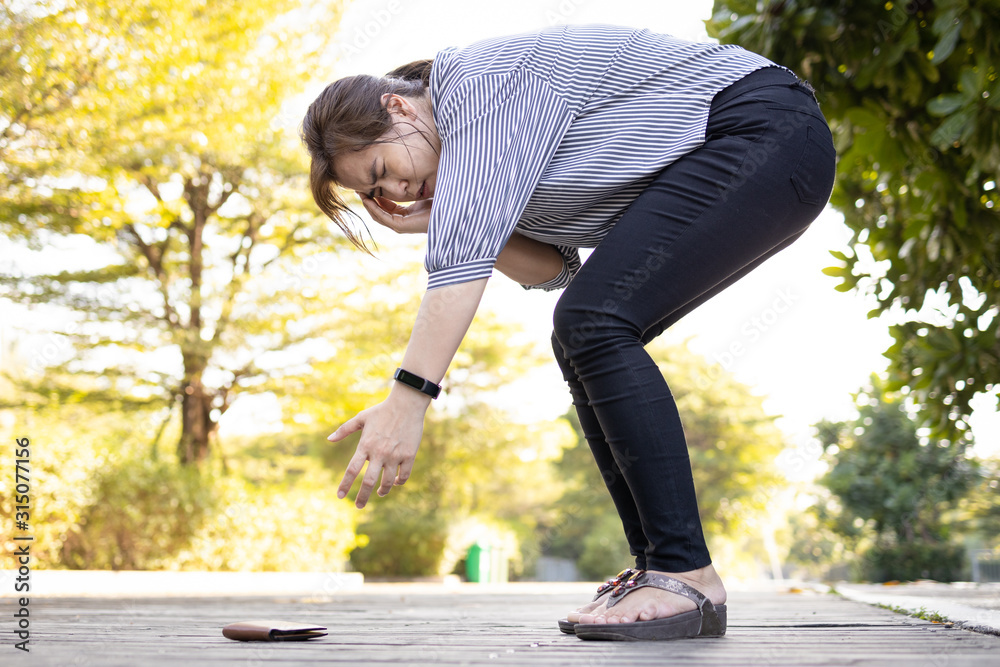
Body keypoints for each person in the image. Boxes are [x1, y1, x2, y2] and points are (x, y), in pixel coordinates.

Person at [301, 23, 835, 641]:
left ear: (397, 108)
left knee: (594, 321)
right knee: (581, 324)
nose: (394, 191)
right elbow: (558, 271)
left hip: (762, 129)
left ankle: (686, 573)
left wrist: (408, 399)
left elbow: (460, 265)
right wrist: (453, 213)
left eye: (382, 167)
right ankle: (661, 569)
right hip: (758, 148)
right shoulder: (478, 164)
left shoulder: (475, 89)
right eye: (375, 192)